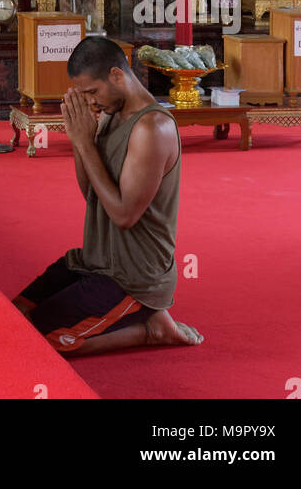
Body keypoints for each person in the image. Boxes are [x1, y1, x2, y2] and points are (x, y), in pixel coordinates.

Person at [12, 36, 203, 355]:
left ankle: (149, 330)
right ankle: (149, 321)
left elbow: (125, 215)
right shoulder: (110, 113)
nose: (91, 102)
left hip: (132, 277)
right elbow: (93, 195)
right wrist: (80, 140)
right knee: (14, 313)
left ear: (116, 75)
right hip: (95, 261)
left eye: (92, 92)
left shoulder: (152, 128)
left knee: (36, 343)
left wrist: (86, 144)